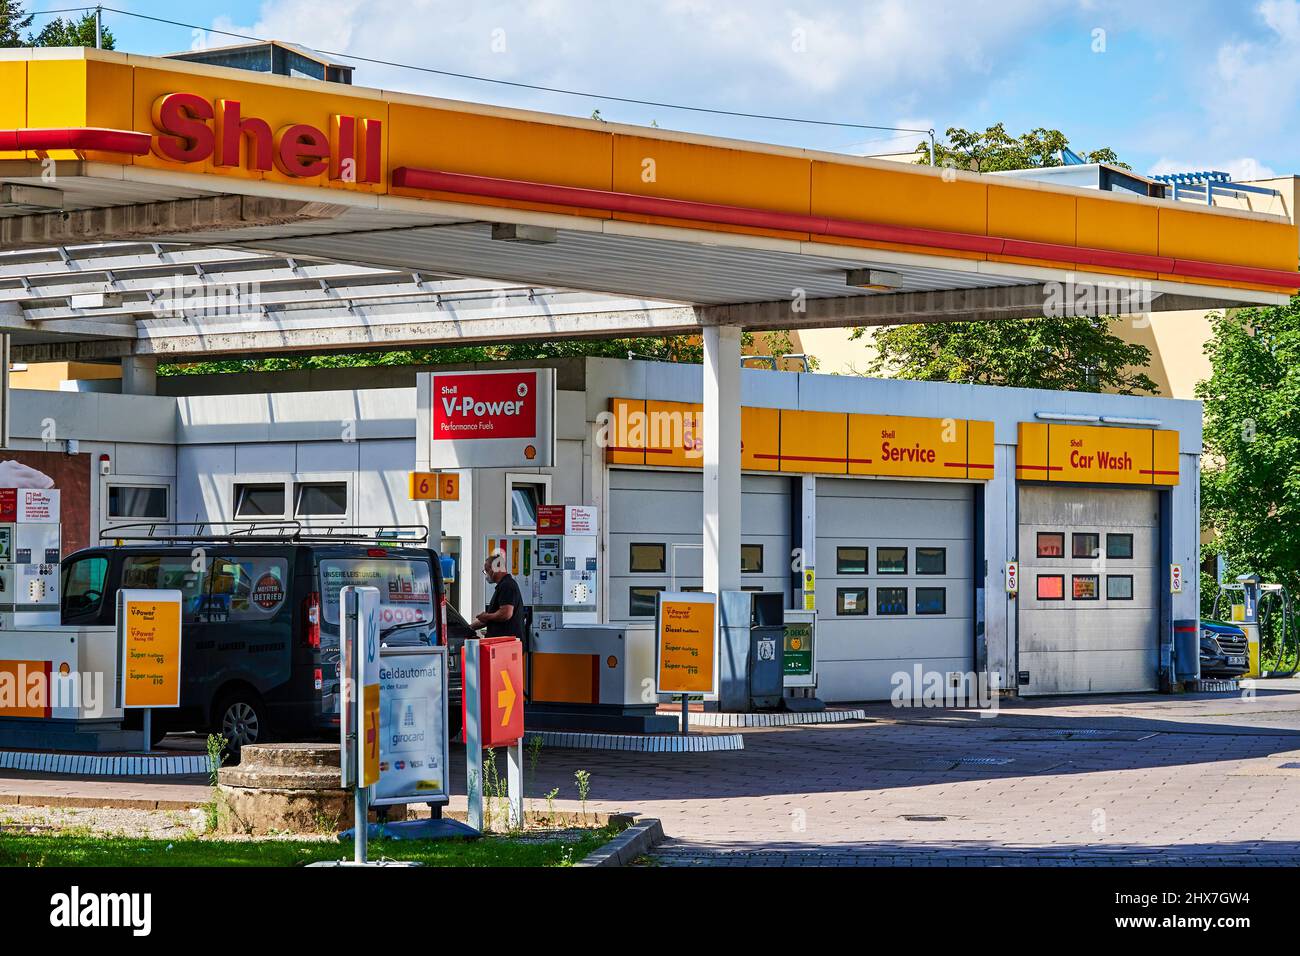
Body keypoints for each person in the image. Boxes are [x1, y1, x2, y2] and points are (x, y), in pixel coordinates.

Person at [472, 553, 527, 643]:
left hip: (507, 646)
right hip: (503, 645)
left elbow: (506, 613)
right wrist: (470, 627)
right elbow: (492, 618)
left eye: (487, 570)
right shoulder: (502, 586)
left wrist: (487, 616)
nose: (486, 574)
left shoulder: (507, 586)